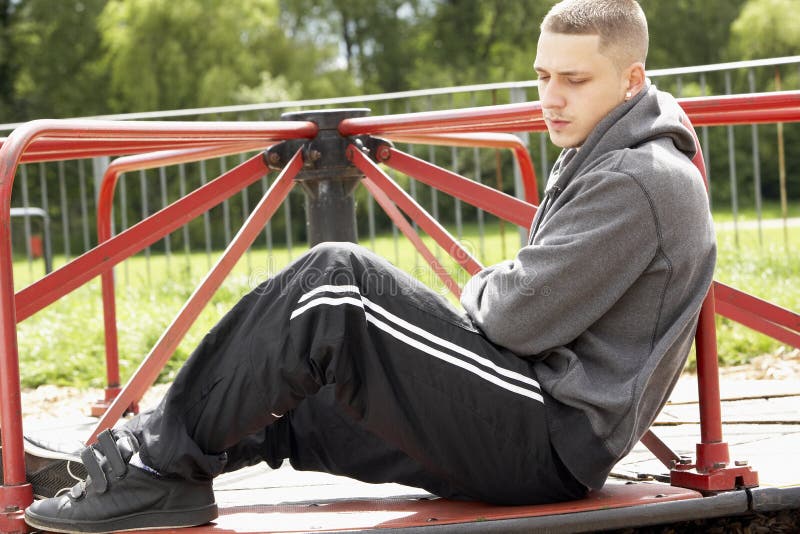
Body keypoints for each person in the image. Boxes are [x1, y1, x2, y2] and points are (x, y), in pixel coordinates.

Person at [24, 0, 716, 532]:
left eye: (574, 79)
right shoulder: (610, 150)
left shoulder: (639, 178)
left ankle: (148, 466)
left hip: (553, 435)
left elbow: (513, 316)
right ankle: (133, 463)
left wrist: (483, 285)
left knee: (338, 283)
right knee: (305, 397)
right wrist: (505, 288)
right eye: (542, 76)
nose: (551, 97)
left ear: (632, 80)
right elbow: (532, 302)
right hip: (533, 412)